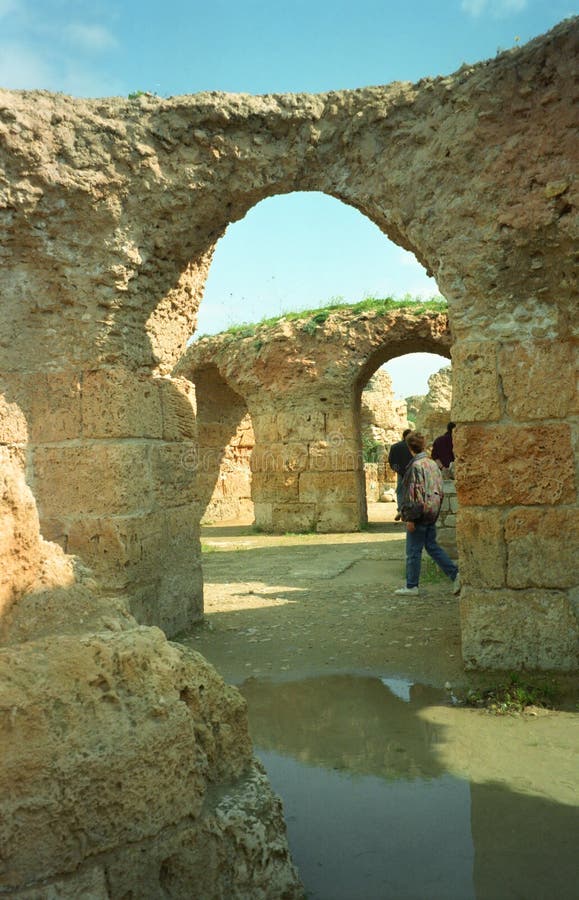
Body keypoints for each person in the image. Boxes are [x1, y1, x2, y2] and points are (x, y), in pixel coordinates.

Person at [394, 431, 461, 596]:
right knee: (432, 547)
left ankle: (412, 586)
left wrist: (410, 518)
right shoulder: (432, 464)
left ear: (409, 448)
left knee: (413, 551)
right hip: (431, 511)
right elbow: (439, 488)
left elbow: (413, 494)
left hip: (419, 514)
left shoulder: (415, 466)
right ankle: (455, 574)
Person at [388, 428, 413, 521]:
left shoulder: (395, 447)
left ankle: (401, 510)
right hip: (412, 472)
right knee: (412, 491)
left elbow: (391, 461)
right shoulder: (413, 447)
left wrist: (398, 470)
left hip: (401, 473)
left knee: (400, 491)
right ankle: (410, 511)